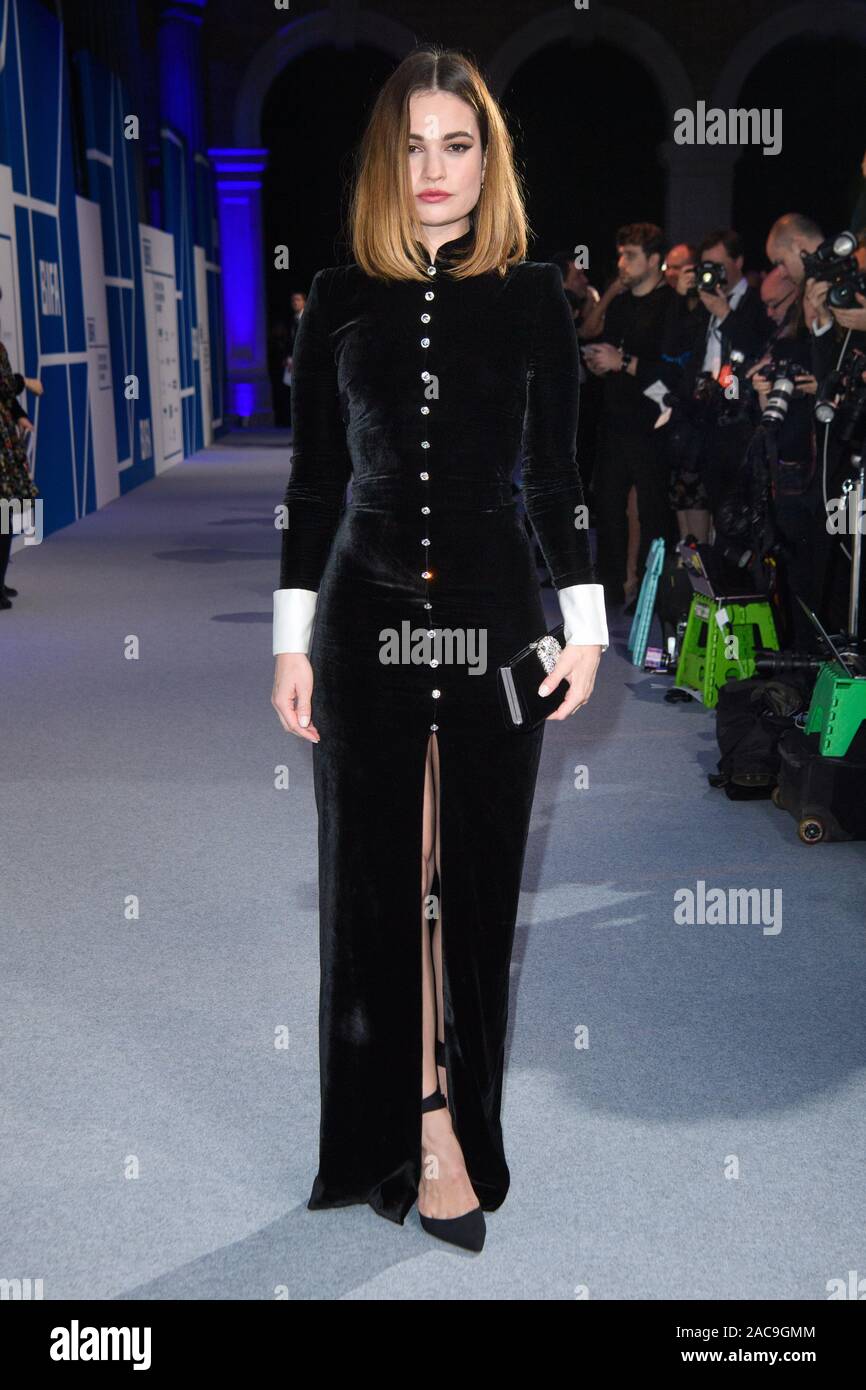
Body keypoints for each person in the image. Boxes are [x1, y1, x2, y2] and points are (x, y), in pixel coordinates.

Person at [270, 47, 608, 1253]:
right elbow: (313, 488)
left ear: (486, 160)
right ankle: (415, 1125)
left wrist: (583, 627)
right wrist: (290, 638)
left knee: (460, 882)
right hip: (361, 622)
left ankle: (455, 1118)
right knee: (378, 887)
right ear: (384, 159)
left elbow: (563, 476)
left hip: (494, 628)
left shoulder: (530, 299)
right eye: (410, 144)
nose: (432, 168)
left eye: (454, 143)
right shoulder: (336, 299)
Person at [582, 222, 679, 607]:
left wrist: (622, 362)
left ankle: (649, 589)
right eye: (621, 254)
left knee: (653, 508)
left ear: (654, 260)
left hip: (651, 419)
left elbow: (670, 367)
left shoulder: (669, 303)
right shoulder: (621, 302)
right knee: (606, 502)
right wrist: (602, 363)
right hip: (615, 415)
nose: (623, 262)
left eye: (632, 256)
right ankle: (609, 586)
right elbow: (591, 331)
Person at [0, 283, 42, 608]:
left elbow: (6, 394)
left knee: (9, 513)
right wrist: (26, 381)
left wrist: (21, 415)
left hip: (6, 442)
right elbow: (4, 384)